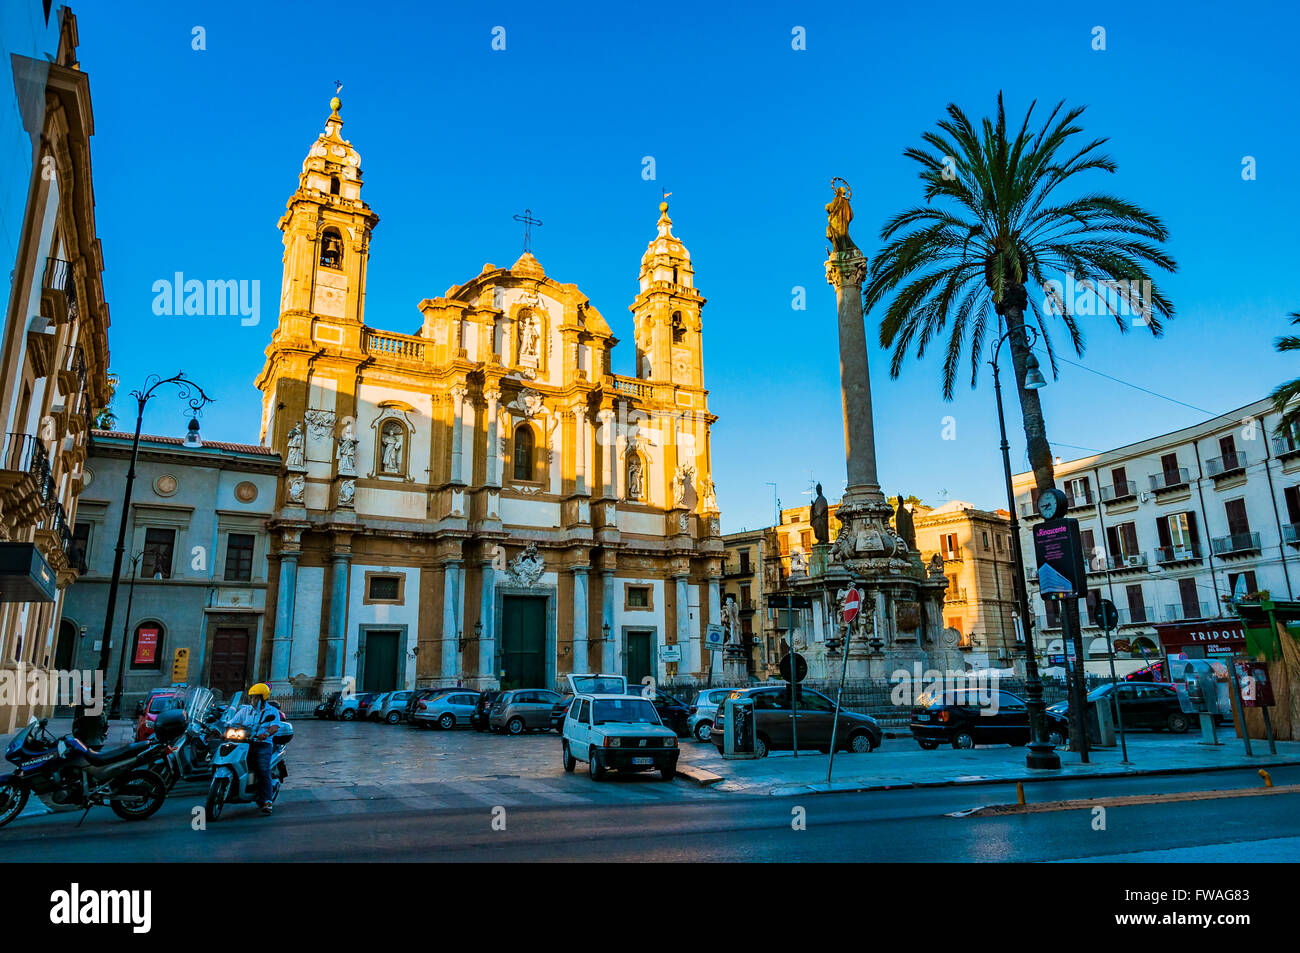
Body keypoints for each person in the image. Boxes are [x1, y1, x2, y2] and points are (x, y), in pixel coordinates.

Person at [231, 683, 282, 815]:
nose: (252, 700)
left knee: (262, 769)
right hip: (244, 743)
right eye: (252, 697)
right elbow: (232, 723)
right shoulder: (245, 710)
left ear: (263, 698)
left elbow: (274, 727)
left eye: (255, 698)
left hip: (263, 744)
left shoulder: (272, 711)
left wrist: (265, 734)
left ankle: (267, 801)